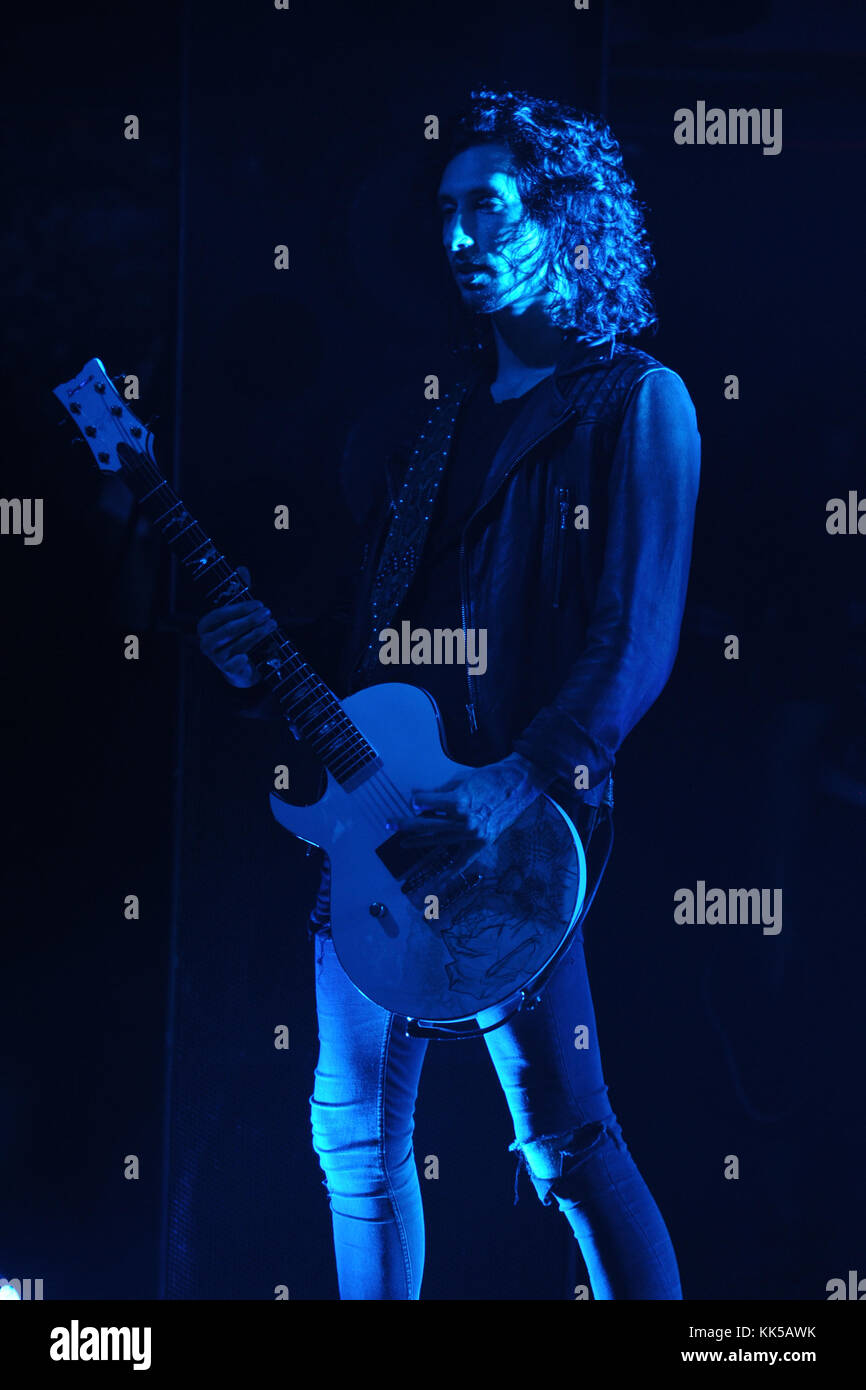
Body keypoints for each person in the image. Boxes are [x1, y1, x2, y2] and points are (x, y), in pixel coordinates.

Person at [198, 88, 700, 1300]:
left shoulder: (635, 401)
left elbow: (632, 640)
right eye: (446, 212)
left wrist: (507, 790)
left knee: (566, 1148)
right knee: (353, 1146)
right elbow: (379, 652)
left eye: (489, 207)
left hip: (525, 827)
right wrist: (263, 662)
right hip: (383, 819)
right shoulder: (426, 428)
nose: (460, 236)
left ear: (565, 223)